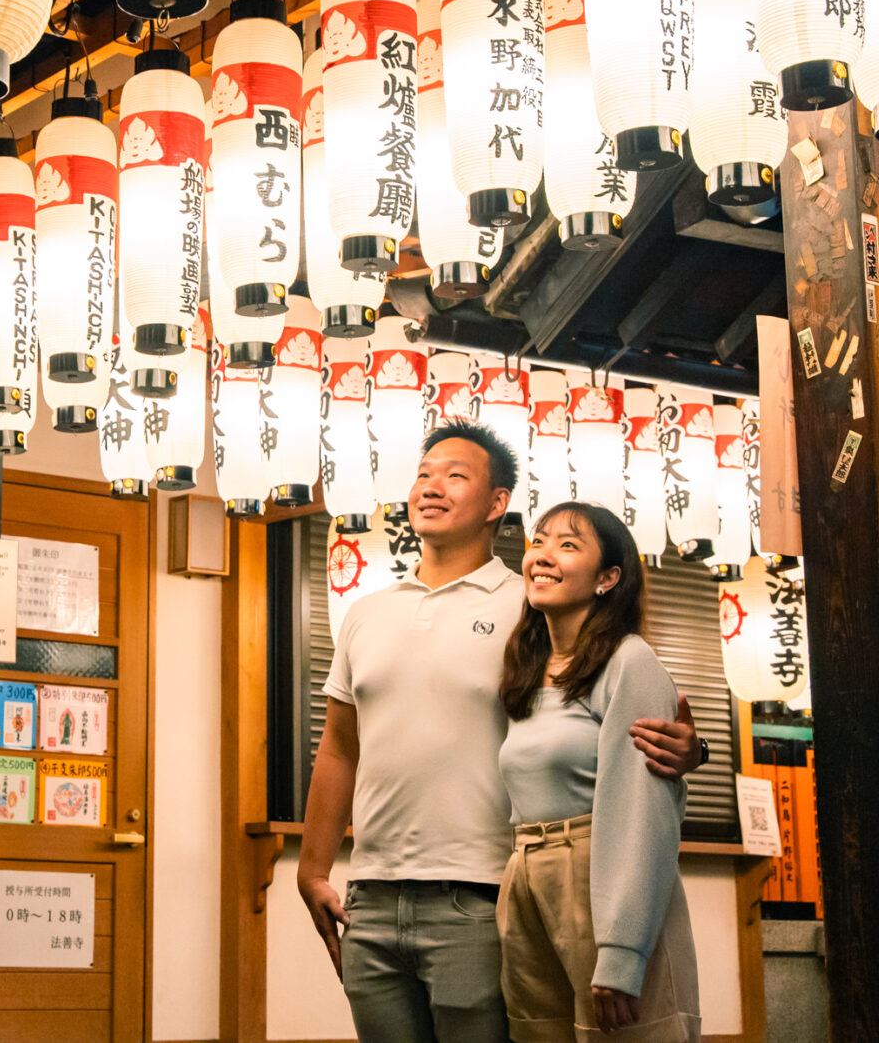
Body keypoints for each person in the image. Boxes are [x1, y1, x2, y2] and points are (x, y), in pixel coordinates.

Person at [298, 423, 704, 1042]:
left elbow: (608, 703)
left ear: (496, 504)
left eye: (456, 475)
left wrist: (692, 750)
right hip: (371, 895)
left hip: (483, 892)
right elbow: (339, 746)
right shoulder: (365, 613)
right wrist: (313, 869)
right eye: (424, 472)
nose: (432, 487)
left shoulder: (533, 605)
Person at [497, 502, 700, 1042]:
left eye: (568, 545)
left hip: (599, 875)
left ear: (608, 578)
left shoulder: (630, 662)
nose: (542, 555)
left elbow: (642, 811)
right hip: (526, 873)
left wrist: (621, 952)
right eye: (539, 541)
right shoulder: (526, 667)